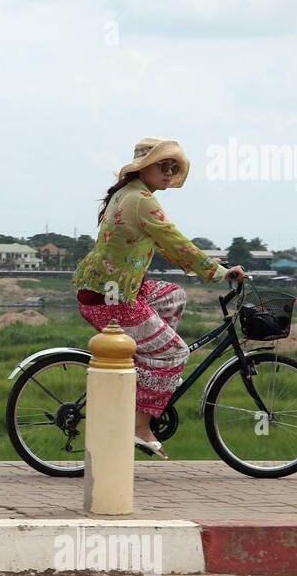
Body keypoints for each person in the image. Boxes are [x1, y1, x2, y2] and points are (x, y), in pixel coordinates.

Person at [72, 137, 245, 458]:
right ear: (144, 167)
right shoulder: (141, 200)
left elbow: (165, 244)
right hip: (113, 299)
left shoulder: (129, 193)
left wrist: (210, 266)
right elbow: (175, 240)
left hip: (111, 291)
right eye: (162, 166)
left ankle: (148, 372)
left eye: (173, 167)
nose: (168, 172)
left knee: (173, 296)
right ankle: (140, 423)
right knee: (176, 353)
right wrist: (219, 274)